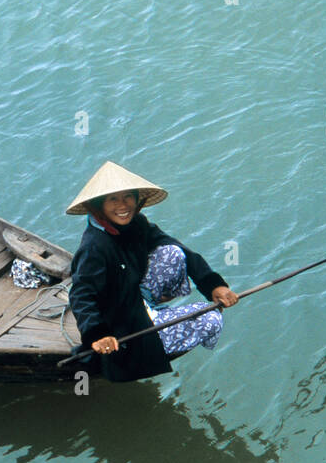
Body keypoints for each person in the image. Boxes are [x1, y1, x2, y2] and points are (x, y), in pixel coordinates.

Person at [65, 161, 238, 382]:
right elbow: (81, 295)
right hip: (122, 325)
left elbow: (176, 247)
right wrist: (97, 335)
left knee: (173, 252)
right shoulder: (94, 247)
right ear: (99, 205)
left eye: (128, 196)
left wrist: (213, 284)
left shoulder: (136, 223)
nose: (122, 205)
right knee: (211, 318)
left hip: (136, 297)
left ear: (138, 199)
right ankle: (150, 331)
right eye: (113, 199)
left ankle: (153, 307)